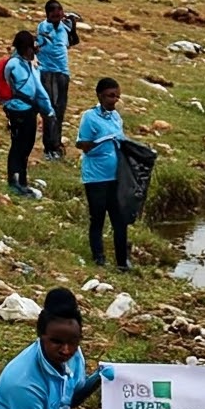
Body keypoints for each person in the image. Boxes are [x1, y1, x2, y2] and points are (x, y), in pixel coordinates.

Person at [78, 77, 131, 269]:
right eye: (110, 96)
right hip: (96, 177)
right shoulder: (90, 117)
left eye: (117, 96)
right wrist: (104, 141)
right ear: (100, 95)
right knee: (98, 218)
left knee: (120, 220)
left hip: (116, 177)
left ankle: (122, 261)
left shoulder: (116, 117)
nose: (114, 100)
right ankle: (98, 257)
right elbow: (84, 145)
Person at [0, 29, 50, 199]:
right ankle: (15, 182)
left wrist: (47, 109)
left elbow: (39, 89)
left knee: (26, 145)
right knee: (18, 145)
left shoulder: (31, 64)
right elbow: (7, 85)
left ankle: (22, 181)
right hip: (17, 109)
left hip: (29, 109)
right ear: (25, 48)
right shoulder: (14, 64)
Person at [34, 0, 78, 160]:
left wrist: (72, 25)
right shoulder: (44, 27)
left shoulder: (64, 26)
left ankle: (56, 145)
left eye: (59, 13)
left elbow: (73, 41)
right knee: (50, 110)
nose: (57, 17)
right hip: (47, 72)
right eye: (53, 15)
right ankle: (49, 148)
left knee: (60, 110)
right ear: (47, 15)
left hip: (62, 72)